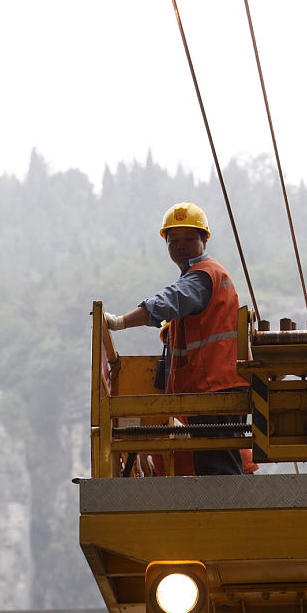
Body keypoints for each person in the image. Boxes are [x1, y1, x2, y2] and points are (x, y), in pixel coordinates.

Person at [104, 202, 249, 475]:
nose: (181, 246)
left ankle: (228, 515)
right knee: (215, 464)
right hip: (213, 387)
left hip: (215, 388)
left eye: (189, 238)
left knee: (218, 469)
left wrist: (119, 322)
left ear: (204, 240)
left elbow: (167, 301)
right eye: (174, 240)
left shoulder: (203, 276)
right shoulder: (204, 276)